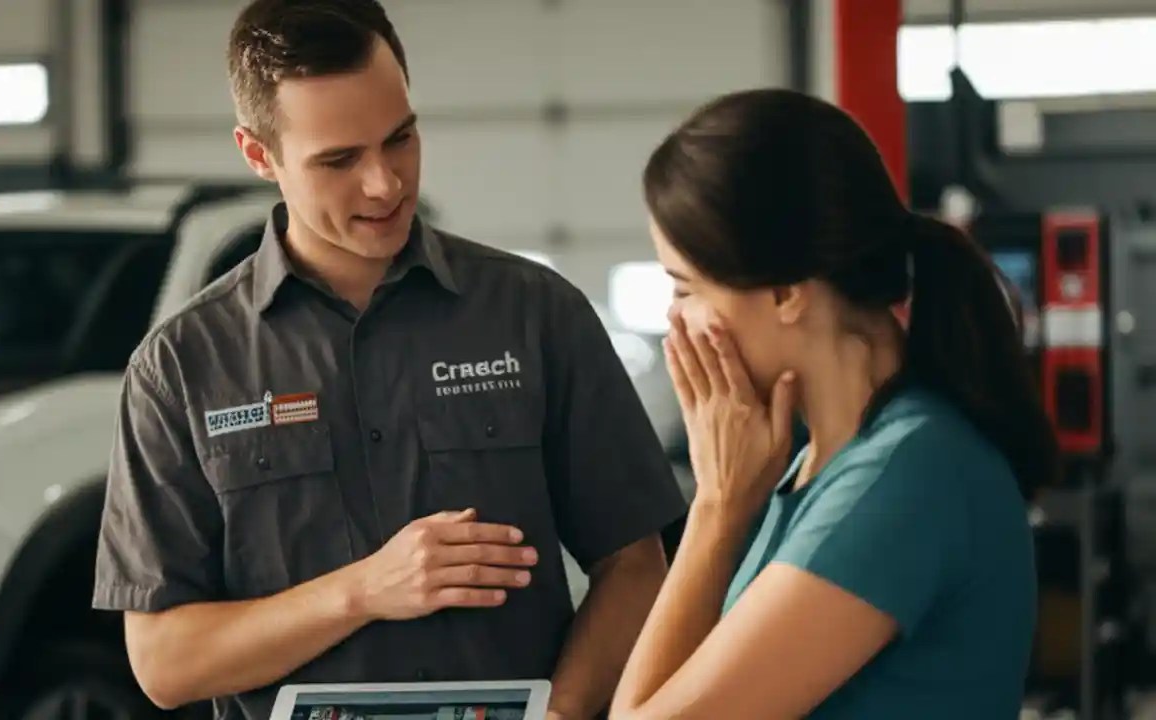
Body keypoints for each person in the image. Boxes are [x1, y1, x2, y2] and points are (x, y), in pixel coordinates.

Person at [90, 1, 687, 719]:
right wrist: (365, 590)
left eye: (400, 139)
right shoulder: (180, 367)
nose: (386, 183)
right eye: (339, 160)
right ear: (258, 154)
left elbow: (635, 563)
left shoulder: (536, 315)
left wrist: (561, 712)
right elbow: (164, 662)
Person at [609, 89, 1056, 719]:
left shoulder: (906, 475)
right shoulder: (813, 465)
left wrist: (714, 507)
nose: (675, 319)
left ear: (788, 291)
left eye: (686, 287)